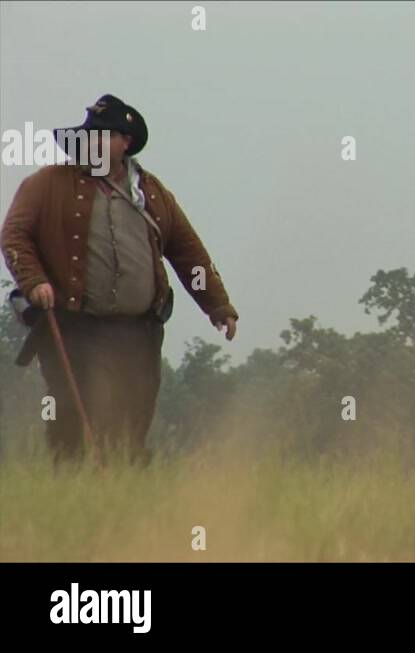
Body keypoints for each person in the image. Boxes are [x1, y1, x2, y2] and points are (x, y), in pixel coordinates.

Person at [1, 94, 239, 465]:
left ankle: (127, 493)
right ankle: (71, 489)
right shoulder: (47, 183)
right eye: (89, 134)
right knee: (74, 413)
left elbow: (187, 252)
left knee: (132, 419)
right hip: (74, 324)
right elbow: (14, 235)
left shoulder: (153, 192)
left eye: (102, 134)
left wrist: (218, 306)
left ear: (124, 141)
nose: (93, 141)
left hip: (137, 329)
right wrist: (34, 282)